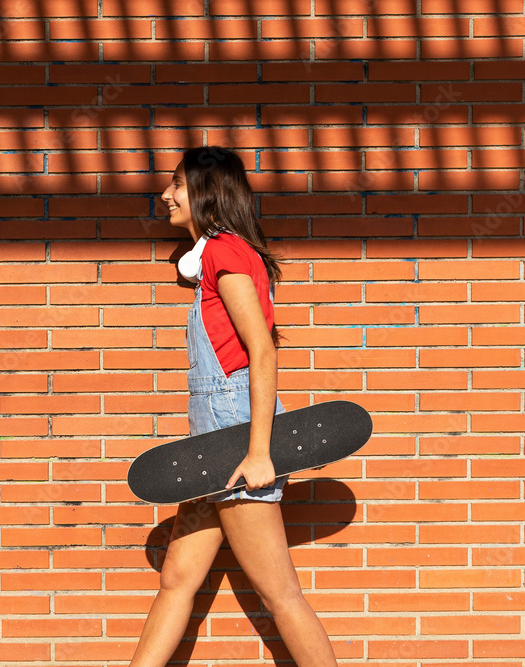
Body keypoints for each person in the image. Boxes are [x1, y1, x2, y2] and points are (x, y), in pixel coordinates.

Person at [127, 146, 338, 667]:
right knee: (177, 579)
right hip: (213, 439)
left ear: (205, 191)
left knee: (279, 594)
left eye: (176, 184)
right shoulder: (213, 259)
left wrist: (259, 452)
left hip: (236, 435)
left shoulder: (225, 251)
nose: (166, 195)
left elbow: (261, 351)